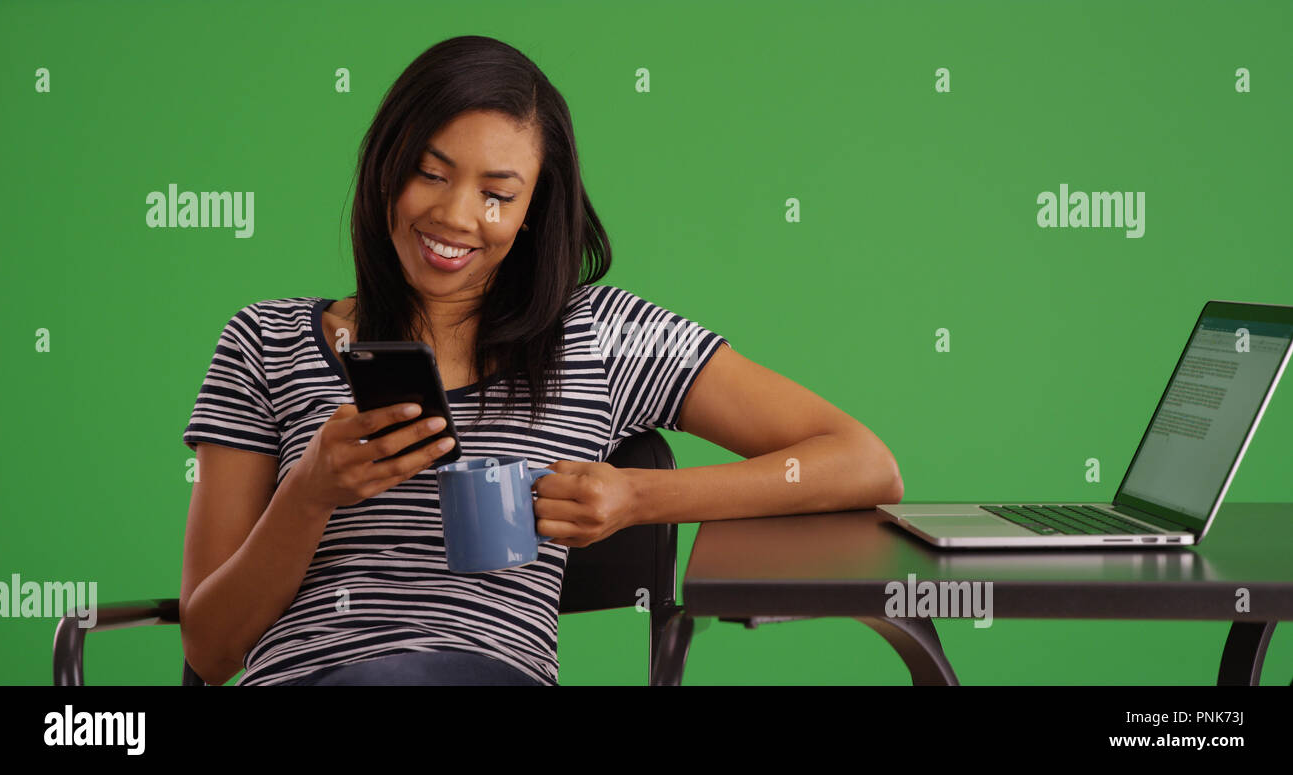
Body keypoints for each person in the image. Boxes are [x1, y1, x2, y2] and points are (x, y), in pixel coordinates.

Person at [180, 35, 903, 686]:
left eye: (498, 195)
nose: (458, 217)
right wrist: (308, 492)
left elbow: (862, 461)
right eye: (431, 174)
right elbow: (210, 650)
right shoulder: (264, 341)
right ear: (384, 168)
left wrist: (634, 499)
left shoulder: (600, 335)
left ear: (531, 213)